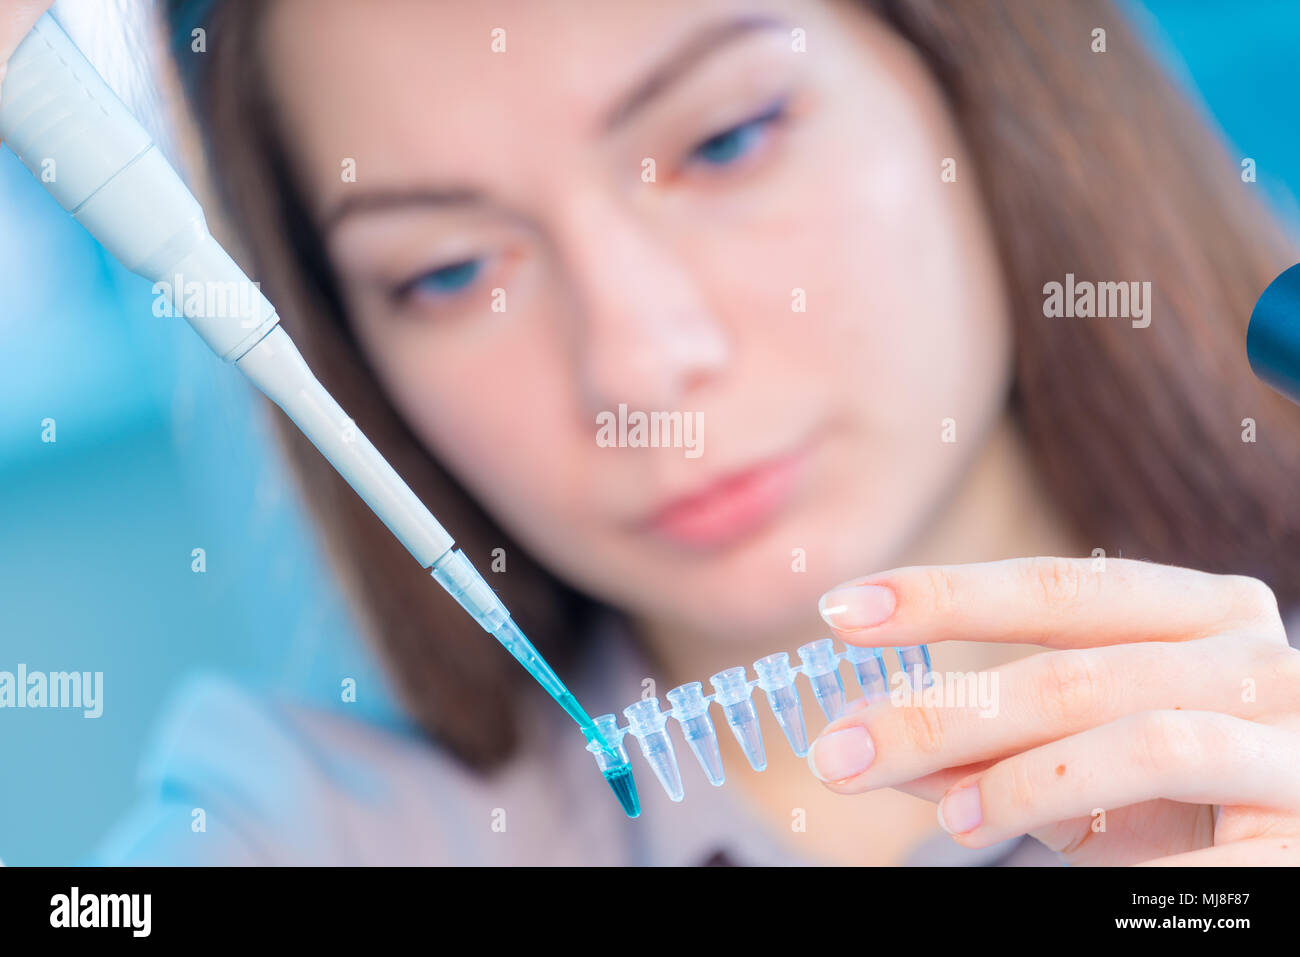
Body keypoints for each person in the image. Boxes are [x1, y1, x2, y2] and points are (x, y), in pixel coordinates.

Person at [6, 0, 1300, 865]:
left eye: (729, 138)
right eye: (449, 272)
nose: (635, 360)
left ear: (969, 72)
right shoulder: (311, 829)